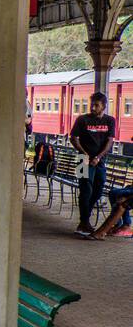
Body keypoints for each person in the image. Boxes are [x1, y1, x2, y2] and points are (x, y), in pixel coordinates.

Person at [70, 91, 116, 235]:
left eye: (96, 105)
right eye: (92, 105)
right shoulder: (82, 120)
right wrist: (84, 153)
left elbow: (110, 141)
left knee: (98, 189)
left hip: (100, 161)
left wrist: (98, 157)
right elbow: (73, 138)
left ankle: (84, 221)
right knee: (85, 190)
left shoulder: (110, 121)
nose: (93, 108)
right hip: (82, 160)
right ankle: (84, 222)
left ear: (104, 106)